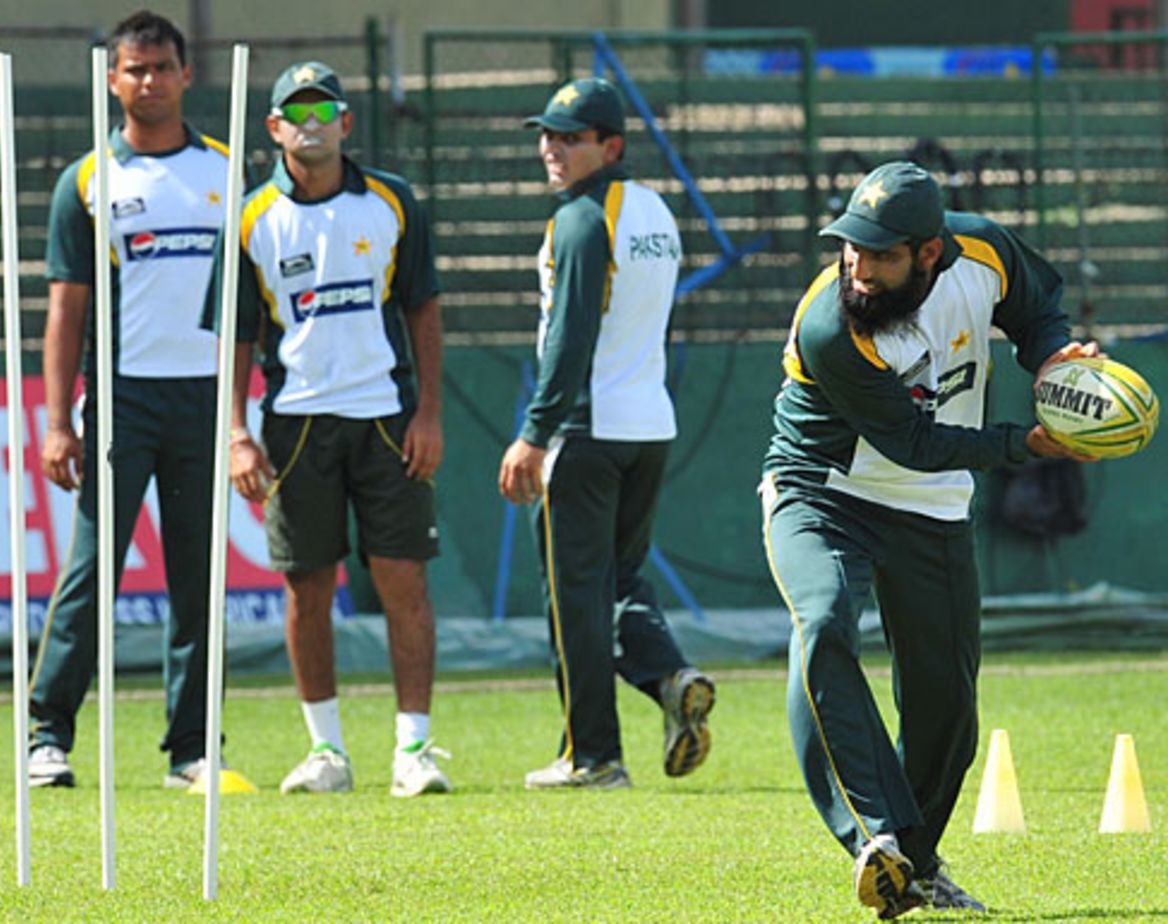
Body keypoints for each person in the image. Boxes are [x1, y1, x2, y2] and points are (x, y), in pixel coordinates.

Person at [761, 161, 1098, 918]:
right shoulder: (831, 324)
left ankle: (913, 863)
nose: (859, 268)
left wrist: (1054, 360)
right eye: (851, 247)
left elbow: (1038, 309)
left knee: (948, 710)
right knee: (823, 624)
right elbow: (914, 442)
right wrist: (1027, 444)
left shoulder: (984, 251)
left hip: (932, 506)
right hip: (824, 491)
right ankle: (874, 838)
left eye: (880, 254)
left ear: (930, 252)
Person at [206, 61, 449, 798]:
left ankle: (414, 749)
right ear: (274, 128)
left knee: (403, 578)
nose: (310, 124)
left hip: (385, 416)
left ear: (346, 122)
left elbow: (423, 307)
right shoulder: (250, 217)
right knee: (307, 584)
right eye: (296, 112)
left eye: (324, 111)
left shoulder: (391, 201)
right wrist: (236, 432)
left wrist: (429, 413)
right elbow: (235, 336)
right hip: (296, 421)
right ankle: (326, 751)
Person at [28, 10, 238, 789]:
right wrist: (58, 423)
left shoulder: (225, 171)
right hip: (122, 402)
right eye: (135, 69)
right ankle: (47, 735)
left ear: (187, 75)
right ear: (112, 80)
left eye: (162, 67)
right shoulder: (89, 180)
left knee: (197, 578)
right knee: (92, 572)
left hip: (204, 397)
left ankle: (193, 748)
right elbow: (65, 310)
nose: (150, 81)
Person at [499, 77, 715, 790]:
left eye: (571, 138)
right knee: (618, 583)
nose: (552, 149)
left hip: (586, 430)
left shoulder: (580, 221)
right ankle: (669, 677)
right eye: (548, 135)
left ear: (611, 146)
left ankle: (591, 755)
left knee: (575, 600)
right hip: (647, 424)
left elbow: (571, 336)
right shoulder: (653, 209)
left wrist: (536, 432)